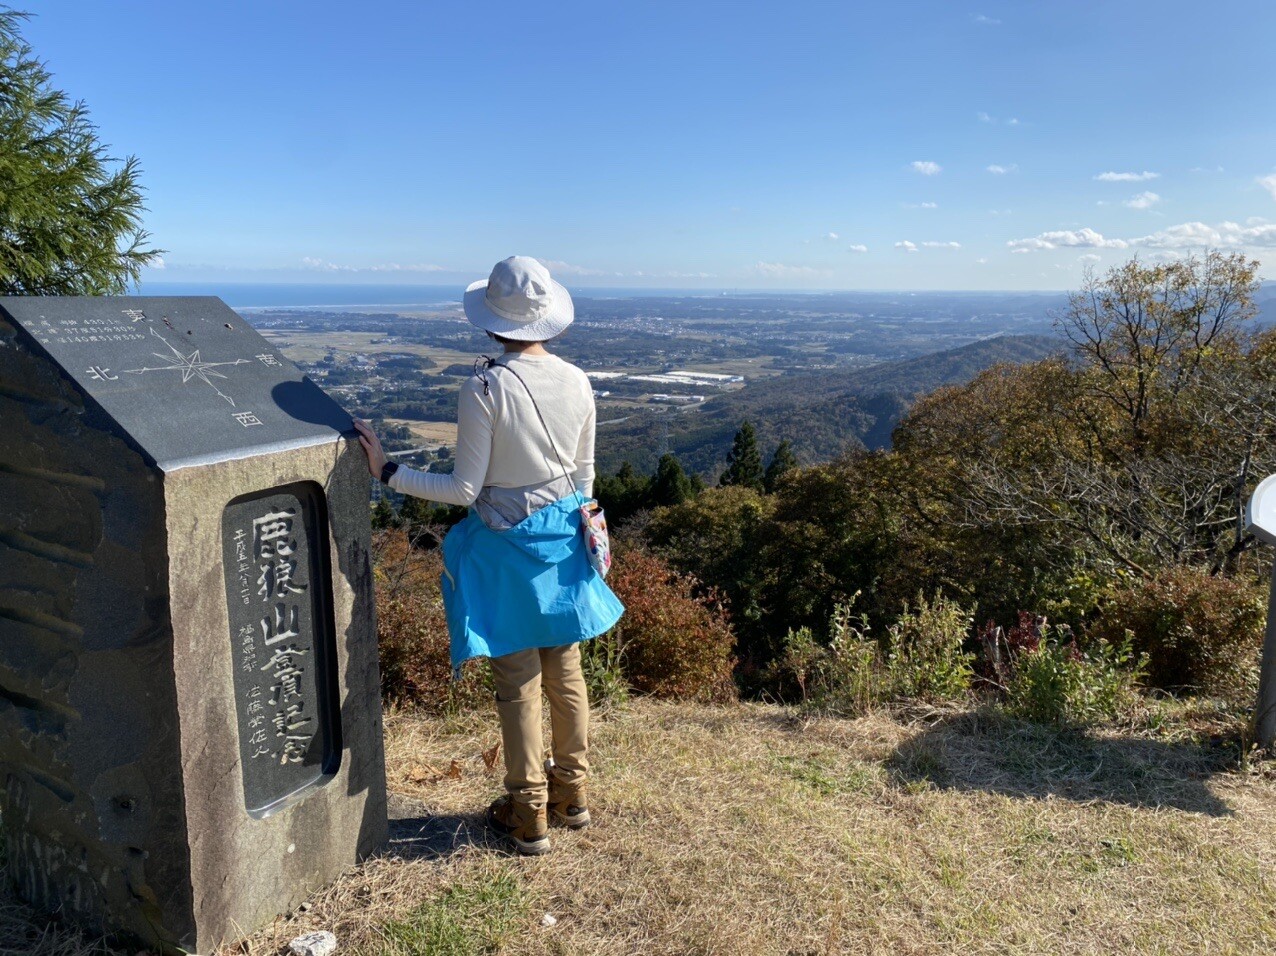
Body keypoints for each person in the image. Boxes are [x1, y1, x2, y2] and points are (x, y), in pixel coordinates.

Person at [353, 256, 624, 855]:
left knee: (518, 680)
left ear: (492, 321)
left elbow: (464, 492)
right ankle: (572, 794)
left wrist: (388, 471)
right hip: (563, 544)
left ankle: (528, 812)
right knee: (567, 671)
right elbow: (586, 479)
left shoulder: (484, 387)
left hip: (506, 552)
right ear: (547, 318)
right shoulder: (578, 380)